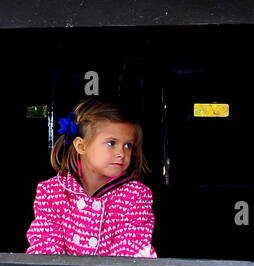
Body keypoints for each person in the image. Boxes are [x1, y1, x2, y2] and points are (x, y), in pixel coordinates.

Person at [26, 97, 156, 257]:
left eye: (128, 145)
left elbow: (128, 255)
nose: (121, 153)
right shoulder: (51, 192)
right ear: (81, 146)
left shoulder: (136, 195)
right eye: (111, 143)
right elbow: (45, 249)